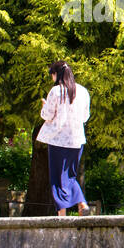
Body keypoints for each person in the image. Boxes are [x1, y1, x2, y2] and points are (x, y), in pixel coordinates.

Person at [37, 61, 92, 216]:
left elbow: (47, 115)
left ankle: (62, 214)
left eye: (52, 74)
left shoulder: (56, 91)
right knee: (70, 176)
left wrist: (44, 106)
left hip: (58, 139)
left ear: (56, 74)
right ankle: (82, 204)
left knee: (57, 177)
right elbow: (85, 116)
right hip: (76, 140)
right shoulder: (82, 91)